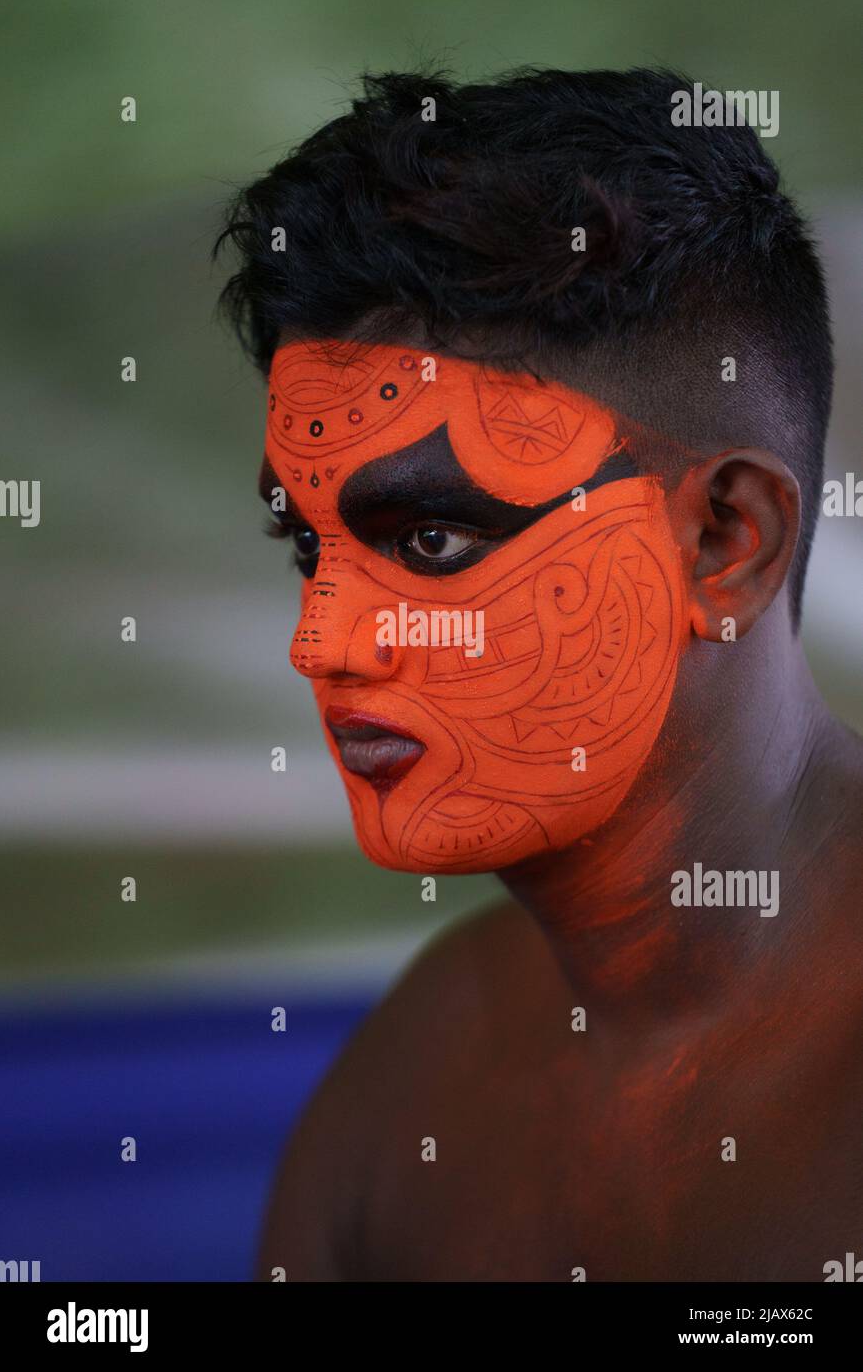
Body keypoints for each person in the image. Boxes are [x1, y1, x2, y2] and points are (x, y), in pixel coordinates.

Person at [216, 67, 863, 1281]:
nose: (319, 640)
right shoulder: (413, 1077)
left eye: (428, 540)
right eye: (309, 545)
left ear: (725, 541)